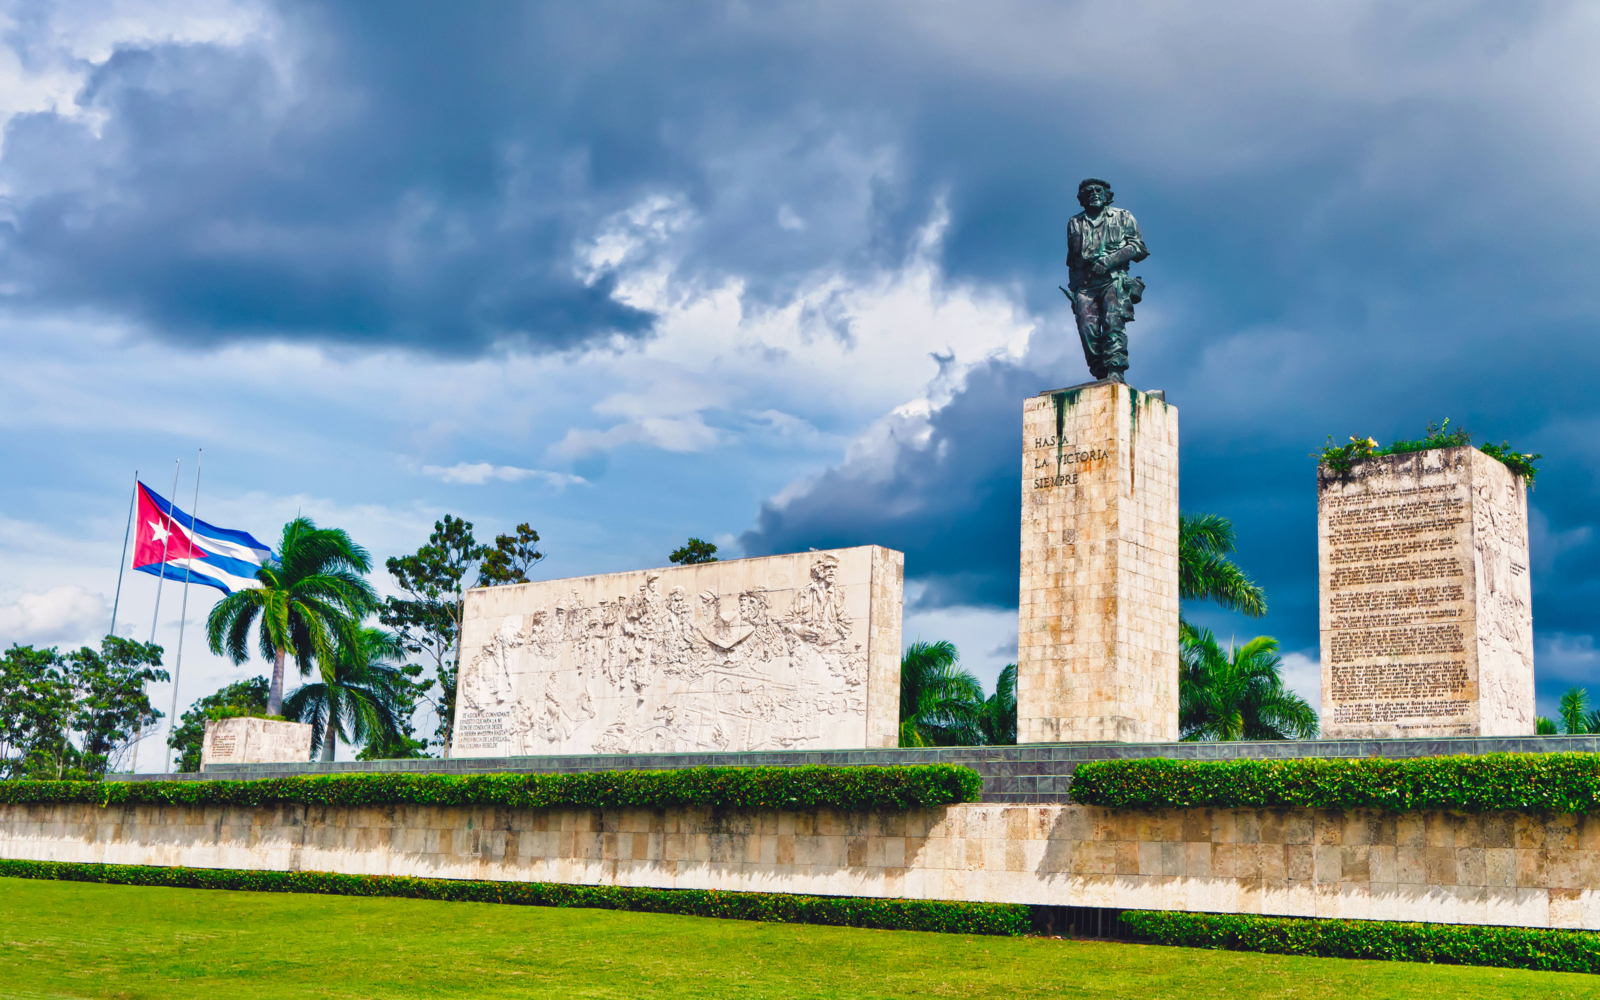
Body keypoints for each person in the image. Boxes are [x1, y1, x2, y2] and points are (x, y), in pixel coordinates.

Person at [1064, 178, 1149, 383]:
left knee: (1113, 322)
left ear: (1107, 196)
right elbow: (1072, 260)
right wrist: (1074, 289)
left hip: (1113, 280)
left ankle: (1115, 369)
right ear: (1081, 198)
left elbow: (1139, 248)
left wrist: (1109, 261)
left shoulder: (1122, 216)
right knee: (1087, 331)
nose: (1094, 194)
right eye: (1089, 191)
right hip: (1085, 285)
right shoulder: (1075, 222)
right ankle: (1100, 373)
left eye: (1098, 190)